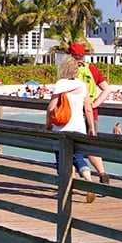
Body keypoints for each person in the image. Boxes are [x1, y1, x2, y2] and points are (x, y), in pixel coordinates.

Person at [46, 55, 97, 204]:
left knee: (62, 160)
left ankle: (65, 189)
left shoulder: (61, 84)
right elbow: (88, 109)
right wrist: (91, 127)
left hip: (62, 128)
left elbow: (51, 108)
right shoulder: (82, 85)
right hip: (79, 127)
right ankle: (88, 180)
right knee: (78, 158)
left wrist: (48, 125)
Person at [67, 43, 111, 184]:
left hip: (74, 114)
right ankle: (102, 173)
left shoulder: (69, 70)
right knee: (91, 147)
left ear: (70, 55)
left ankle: (71, 183)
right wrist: (95, 104)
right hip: (92, 112)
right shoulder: (92, 69)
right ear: (83, 55)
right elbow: (106, 90)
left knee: (70, 148)